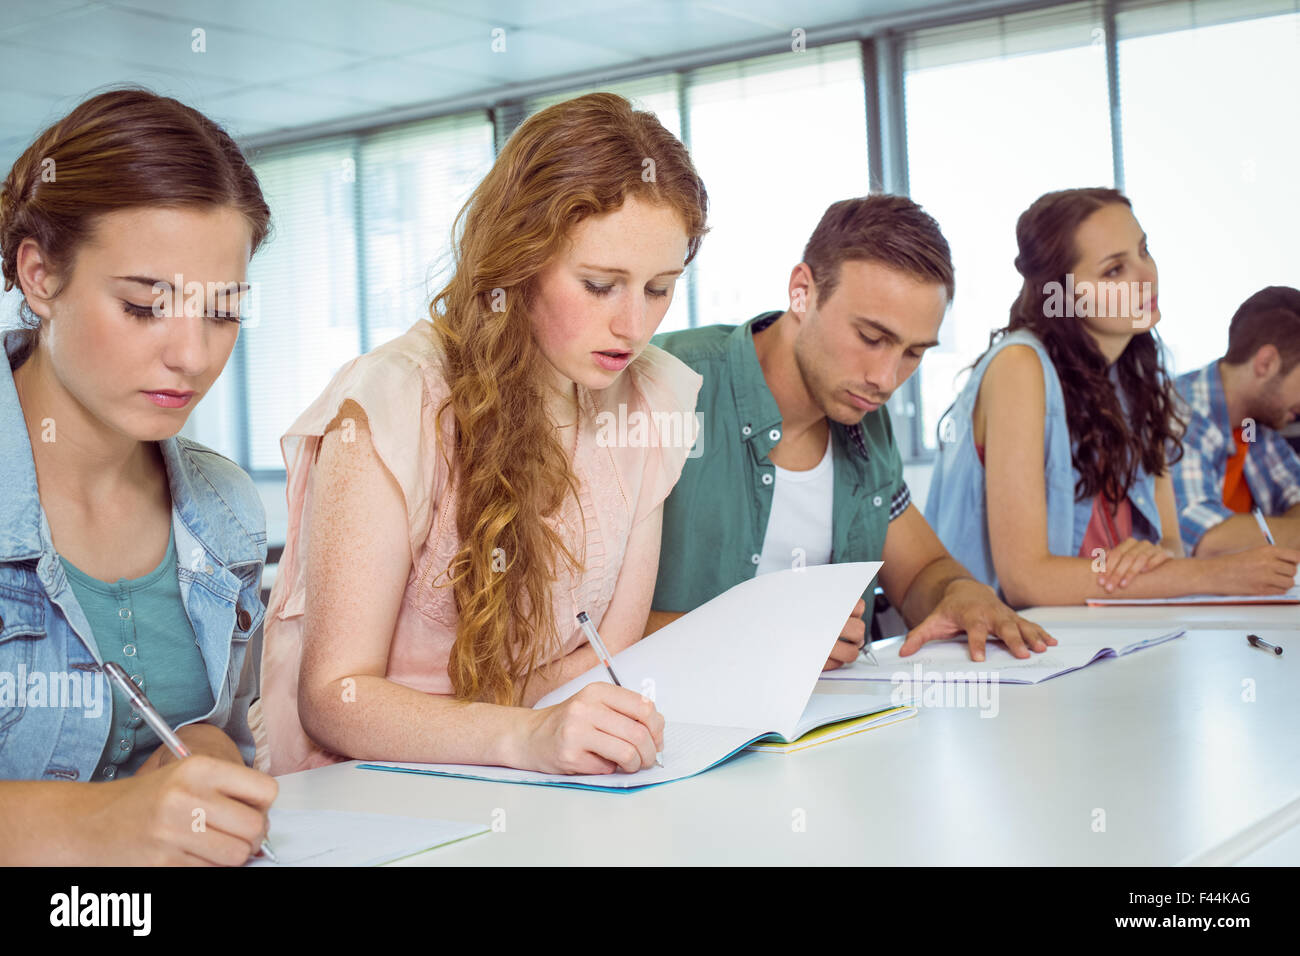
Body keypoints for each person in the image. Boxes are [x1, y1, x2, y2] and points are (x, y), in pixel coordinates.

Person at [255, 93, 707, 776]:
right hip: (371, 800)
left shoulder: (648, 400)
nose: (633, 327)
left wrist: (541, 729)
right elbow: (335, 699)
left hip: (534, 784)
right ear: (519, 263)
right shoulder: (393, 403)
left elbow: (608, 656)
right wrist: (523, 732)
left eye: (659, 288)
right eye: (599, 284)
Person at [0, 89, 278, 865]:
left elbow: (210, 739)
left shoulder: (224, 509)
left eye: (221, 312)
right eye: (147, 305)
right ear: (40, 276)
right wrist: (100, 824)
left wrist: (205, 761)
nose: (191, 356)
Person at [648, 194, 1055, 665]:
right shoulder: (663, 384)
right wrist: (757, 633)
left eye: (913, 352)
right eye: (871, 337)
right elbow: (576, 628)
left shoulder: (866, 424)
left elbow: (923, 570)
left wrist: (961, 594)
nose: (885, 380)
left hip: (833, 725)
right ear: (803, 291)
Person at [925, 188, 1299, 606]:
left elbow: (1171, 543)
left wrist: (1158, 558)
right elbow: (1027, 581)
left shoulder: (1139, 377)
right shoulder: (1020, 366)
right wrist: (1214, 573)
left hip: (1107, 632)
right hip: (1011, 644)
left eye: (1144, 250)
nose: (1146, 276)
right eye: (1114, 270)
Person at [1172, 286, 1300, 556]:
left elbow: (1295, 497)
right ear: (1266, 363)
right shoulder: (1182, 411)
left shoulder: (1257, 426)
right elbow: (1205, 539)